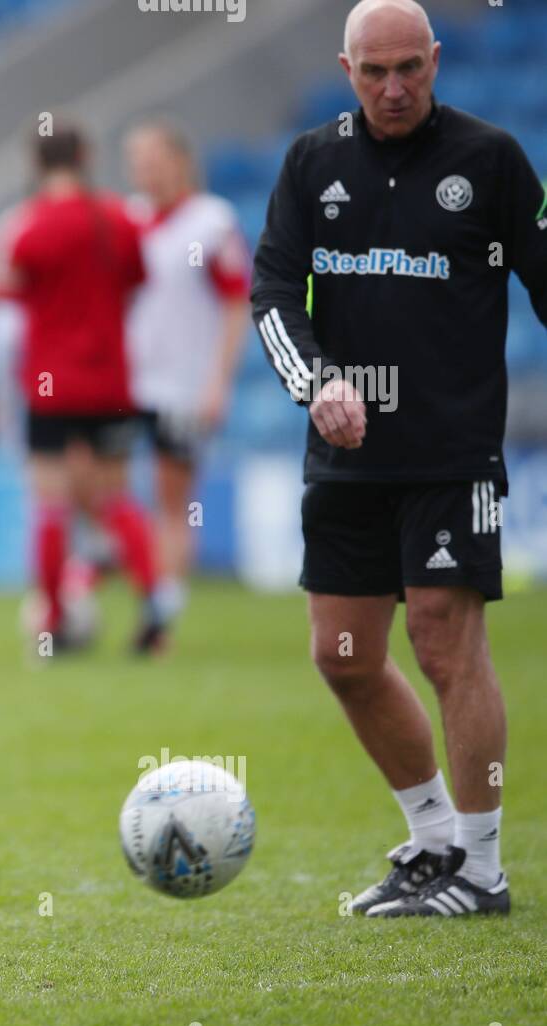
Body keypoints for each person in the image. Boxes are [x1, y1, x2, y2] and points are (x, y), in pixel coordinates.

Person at [250, 0, 547, 916]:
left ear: (437, 60)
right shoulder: (312, 162)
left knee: (443, 641)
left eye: (410, 68)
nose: (393, 87)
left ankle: (483, 870)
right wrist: (317, 384)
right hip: (345, 454)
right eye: (375, 71)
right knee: (342, 656)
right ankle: (431, 841)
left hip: (450, 453)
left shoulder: (490, 159)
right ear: (346, 70)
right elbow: (271, 293)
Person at [0, 119, 165, 655]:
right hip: (110, 382)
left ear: (36, 163)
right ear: (84, 154)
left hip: (50, 385)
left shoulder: (27, 226)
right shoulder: (120, 218)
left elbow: (5, 298)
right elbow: (136, 283)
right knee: (115, 499)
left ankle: (55, 621)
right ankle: (156, 603)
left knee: (51, 505)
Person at [124, 119, 251, 631]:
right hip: (127, 382)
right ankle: (105, 590)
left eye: (155, 161)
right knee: (109, 492)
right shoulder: (128, 219)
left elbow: (235, 304)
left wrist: (218, 380)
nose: (147, 173)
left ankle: (163, 612)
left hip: (183, 385)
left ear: (180, 162)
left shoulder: (211, 223)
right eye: (138, 165)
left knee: (170, 495)